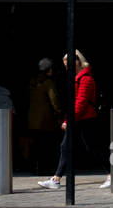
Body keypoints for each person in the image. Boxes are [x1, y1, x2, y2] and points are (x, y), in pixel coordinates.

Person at [38, 50, 99, 189]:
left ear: (77, 63)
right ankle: (56, 178)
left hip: (83, 118)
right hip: (80, 118)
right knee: (69, 147)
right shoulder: (79, 78)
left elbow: (80, 103)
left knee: (91, 148)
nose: (67, 69)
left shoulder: (85, 79)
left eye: (68, 65)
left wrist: (68, 120)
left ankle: (111, 175)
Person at [24, 58, 62, 175]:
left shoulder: (32, 81)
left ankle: (32, 167)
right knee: (46, 145)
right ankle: (43, 169)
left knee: (35, 144)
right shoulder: (48, 83)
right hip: (45, 119)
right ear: (49, 70)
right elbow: (54, 100)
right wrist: (60, 112)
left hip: (32, 118)